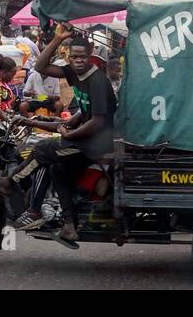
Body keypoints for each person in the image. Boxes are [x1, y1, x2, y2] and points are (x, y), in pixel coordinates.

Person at [6, 26, 116, 245]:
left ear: (91, 54)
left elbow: (97, 120)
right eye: (74, 56)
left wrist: (71, 133)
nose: (78, 61)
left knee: (42, 149)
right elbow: (40, 66)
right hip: (87, 141)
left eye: (82, 56)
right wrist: (57, 38)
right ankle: (69, 227)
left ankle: (12, 182)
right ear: (68, 56)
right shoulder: (74, 74)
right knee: (58, 170)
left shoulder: (97, 81)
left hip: (96, 144)